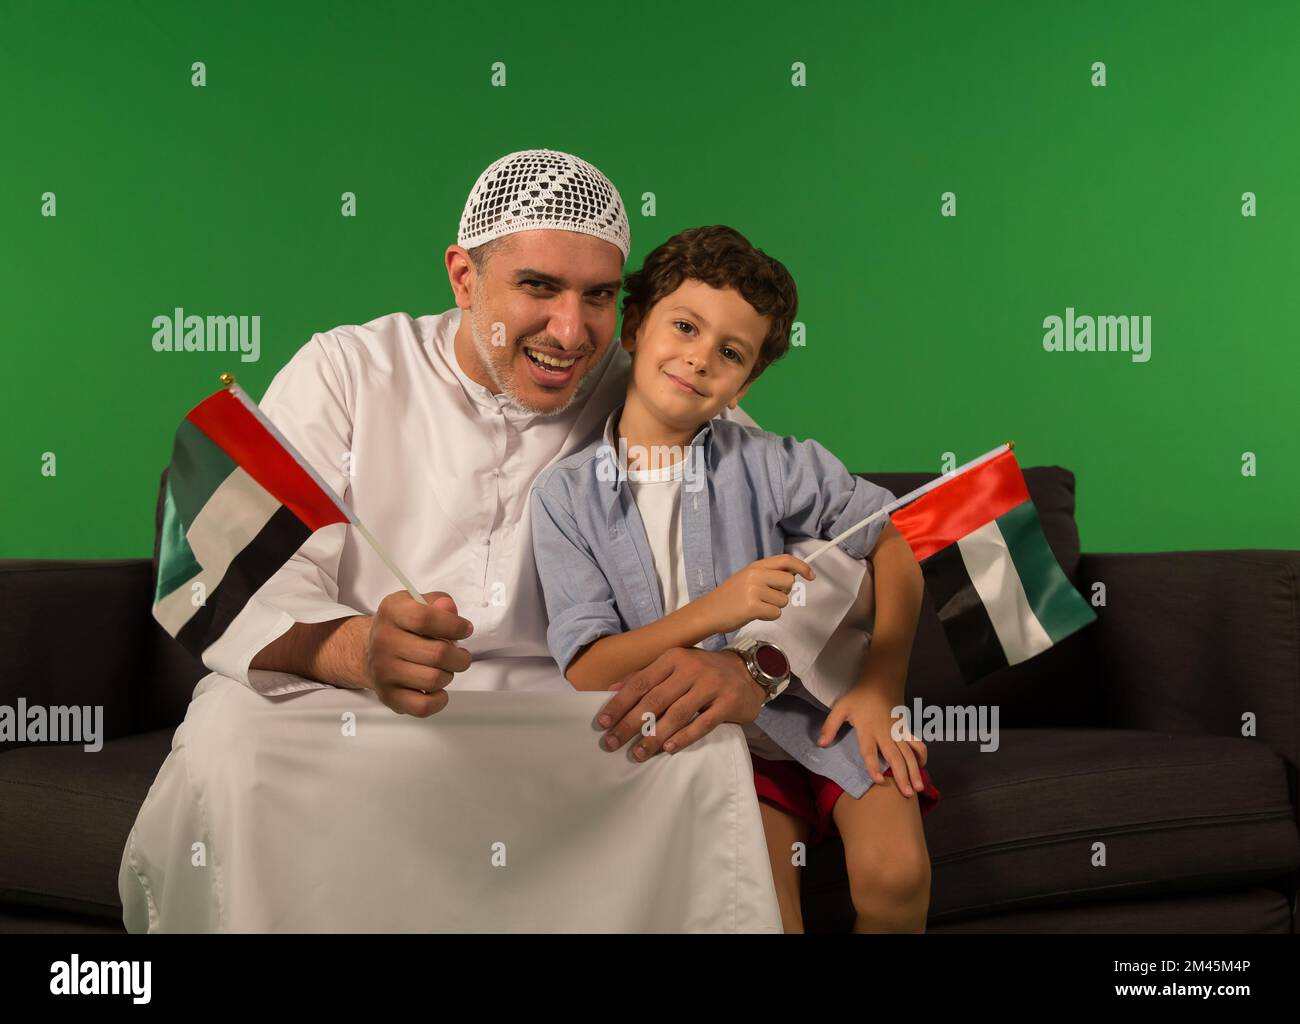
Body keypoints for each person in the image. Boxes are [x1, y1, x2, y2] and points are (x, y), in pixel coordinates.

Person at [119, 149, 877, 932]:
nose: (571, 329)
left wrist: (750, 662)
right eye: (538, 287)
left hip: (575, 720)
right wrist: (355, 648)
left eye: (598, 297)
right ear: (463, 276)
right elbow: (250, 576)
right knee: (232, 740)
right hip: (363, 711)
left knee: (698, 754)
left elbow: (819, 543)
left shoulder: (652, 383)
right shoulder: (347, 370)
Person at [530, 225, 941, 933]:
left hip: (821, 717)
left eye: (729, 353)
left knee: (895, 875)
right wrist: (714, 612)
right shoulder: (564, 498)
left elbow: (894, 538)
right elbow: (587, 667)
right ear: (634, 328)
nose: (698, 359)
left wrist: (881, 687)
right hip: (712, 743)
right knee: (765, 909)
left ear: (745, 383)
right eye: (684, 327)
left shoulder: (770, 462)